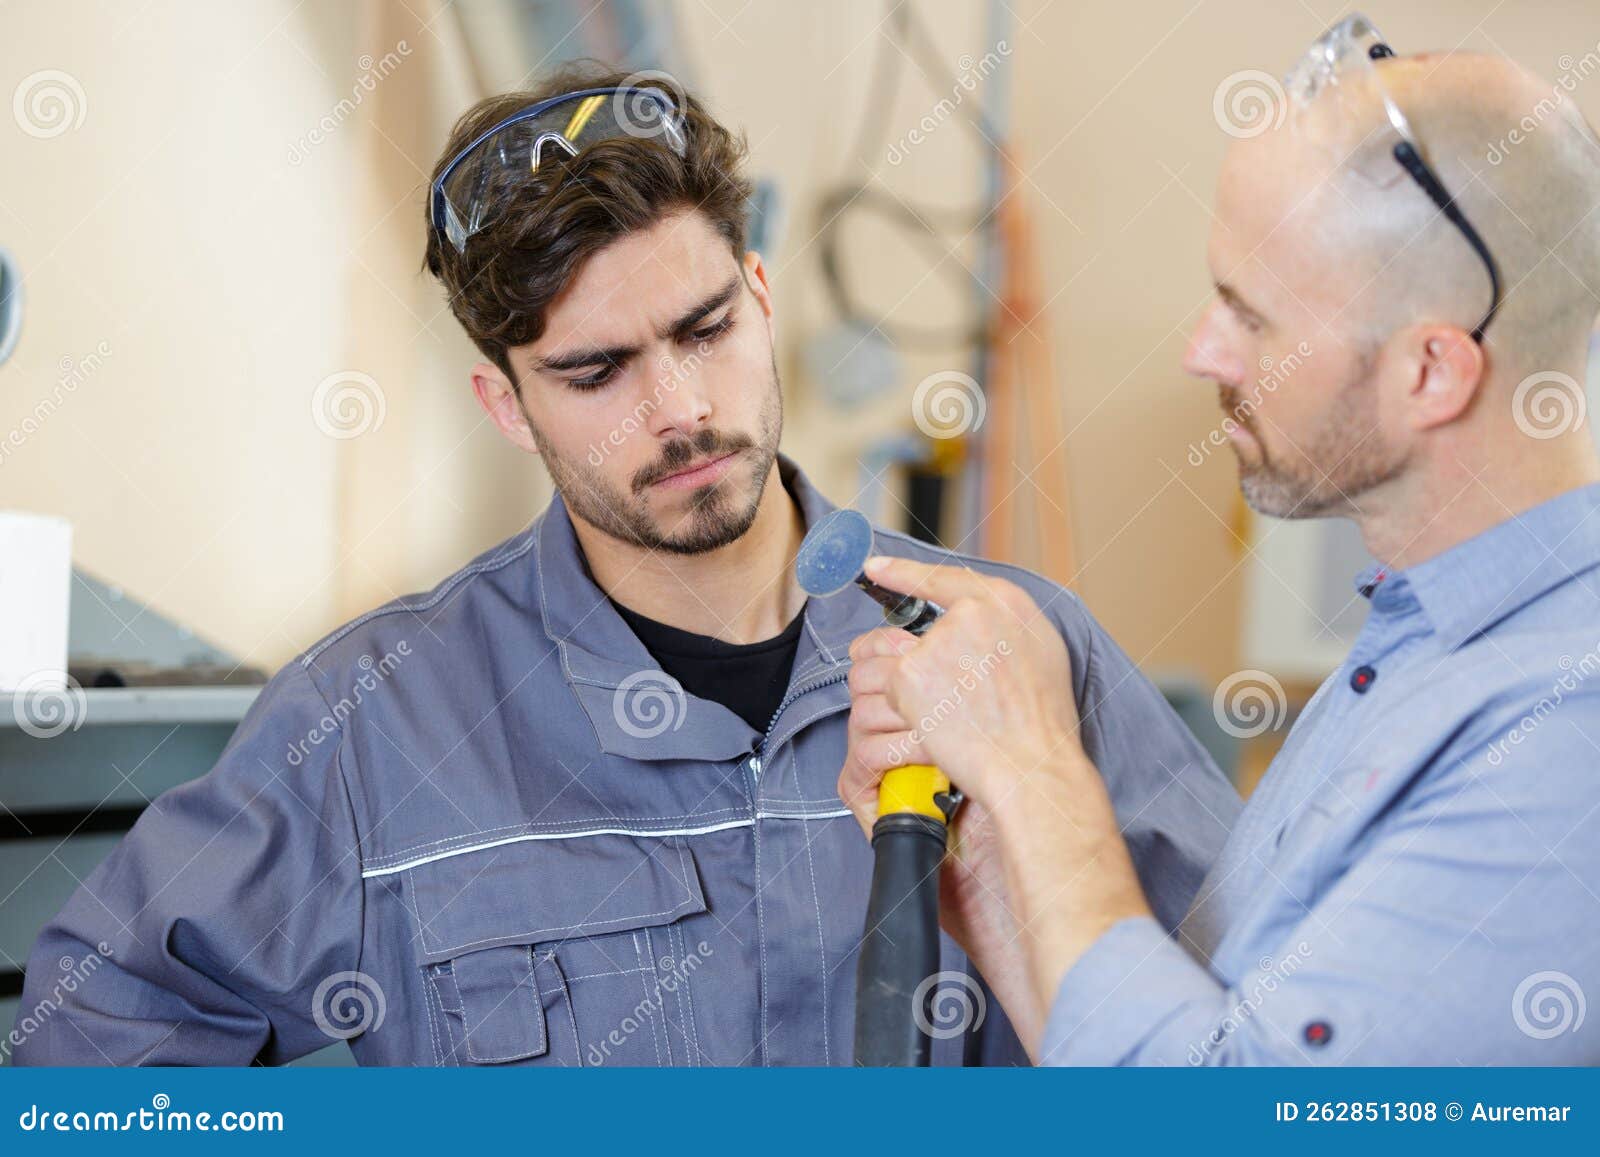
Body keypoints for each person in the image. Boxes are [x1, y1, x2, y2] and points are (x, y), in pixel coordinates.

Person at [12, 63, 1239, 1067]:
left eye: (705, 331)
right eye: (595, 373)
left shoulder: (1015, 645)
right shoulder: (371, 724)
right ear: (505, 401)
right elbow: (83, 1064)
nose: (678, 409)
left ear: (759, 297)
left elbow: (1263, 1026)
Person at [841, 17, 1600, 1065]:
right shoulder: (1421, 630)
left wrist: (1030, 761)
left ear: (1431, 371)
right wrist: (982, 866)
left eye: (1252, 317)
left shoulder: (1562, 739)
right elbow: (1202, 1045)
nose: (1202, 350)